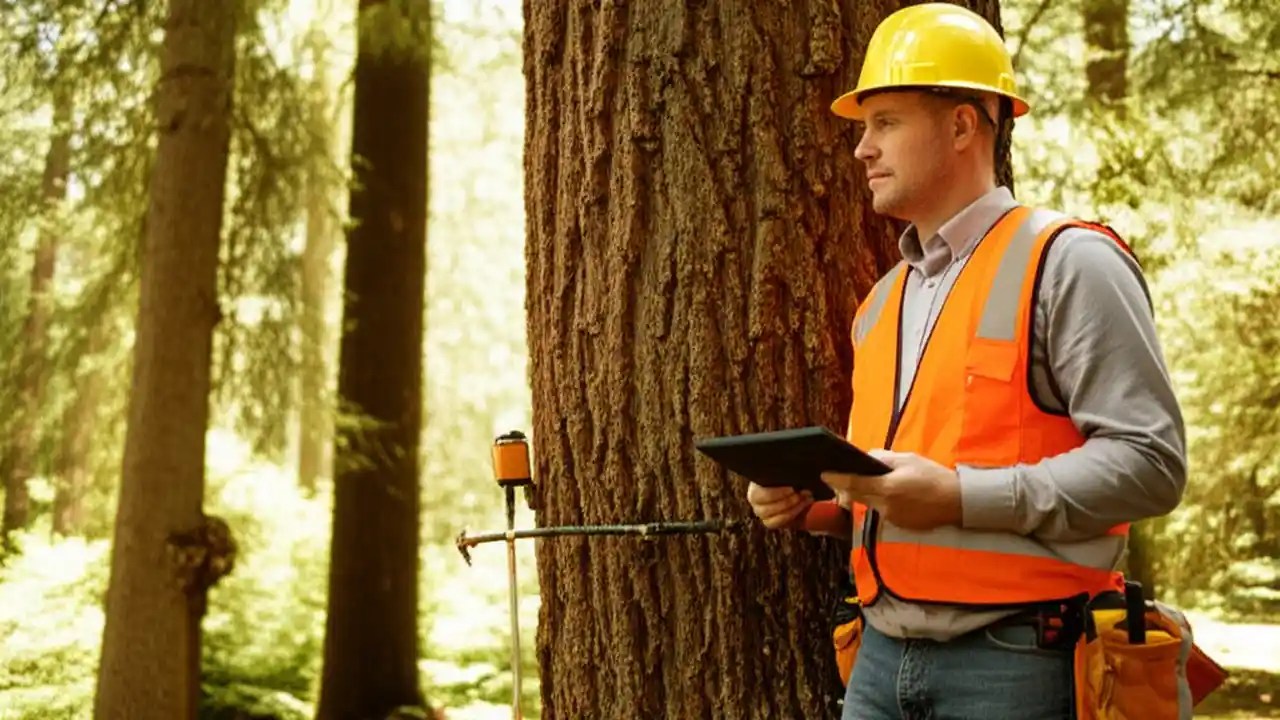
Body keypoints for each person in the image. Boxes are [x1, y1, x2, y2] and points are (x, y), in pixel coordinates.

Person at [745, 4, 1188, 719]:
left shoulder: (1070, 262)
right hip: (879, 659)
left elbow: (1151, 465)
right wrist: (820, 510)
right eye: (865, 127)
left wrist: (956, 495)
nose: (862, 149)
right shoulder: (882, 304)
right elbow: (906, 492)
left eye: (885, 122)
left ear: (961, 126)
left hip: (1020, 663)